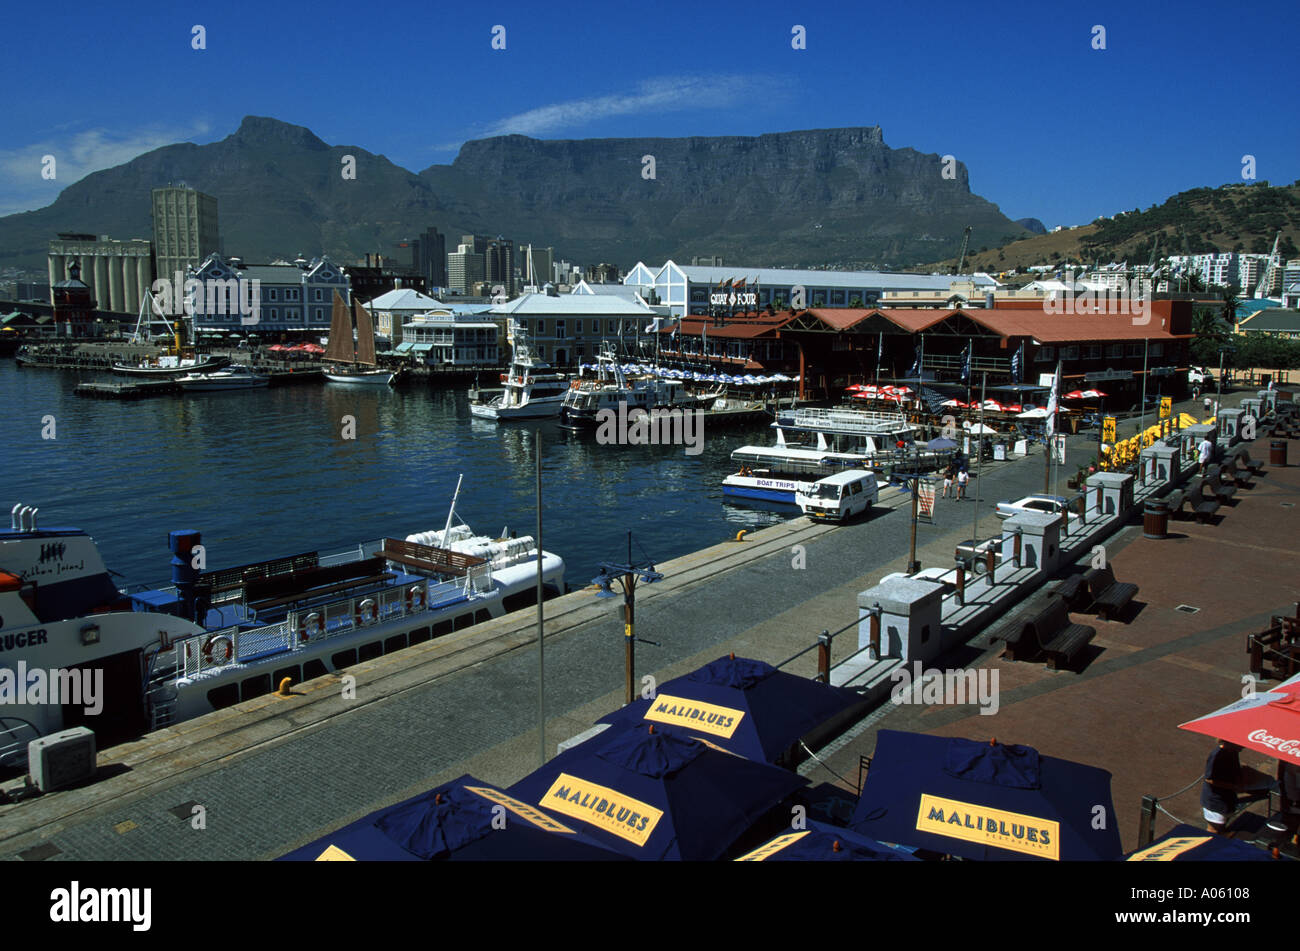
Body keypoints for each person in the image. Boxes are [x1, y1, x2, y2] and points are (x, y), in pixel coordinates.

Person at [1201, 740, 1243, 833]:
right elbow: (1210, 779)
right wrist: (1234, 786)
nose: (1244, 747)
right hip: (1216, 802)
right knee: (1214, 831)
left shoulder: (1233, 753)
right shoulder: (1217, 756)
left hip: (1227, 800)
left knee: (1222, 829)